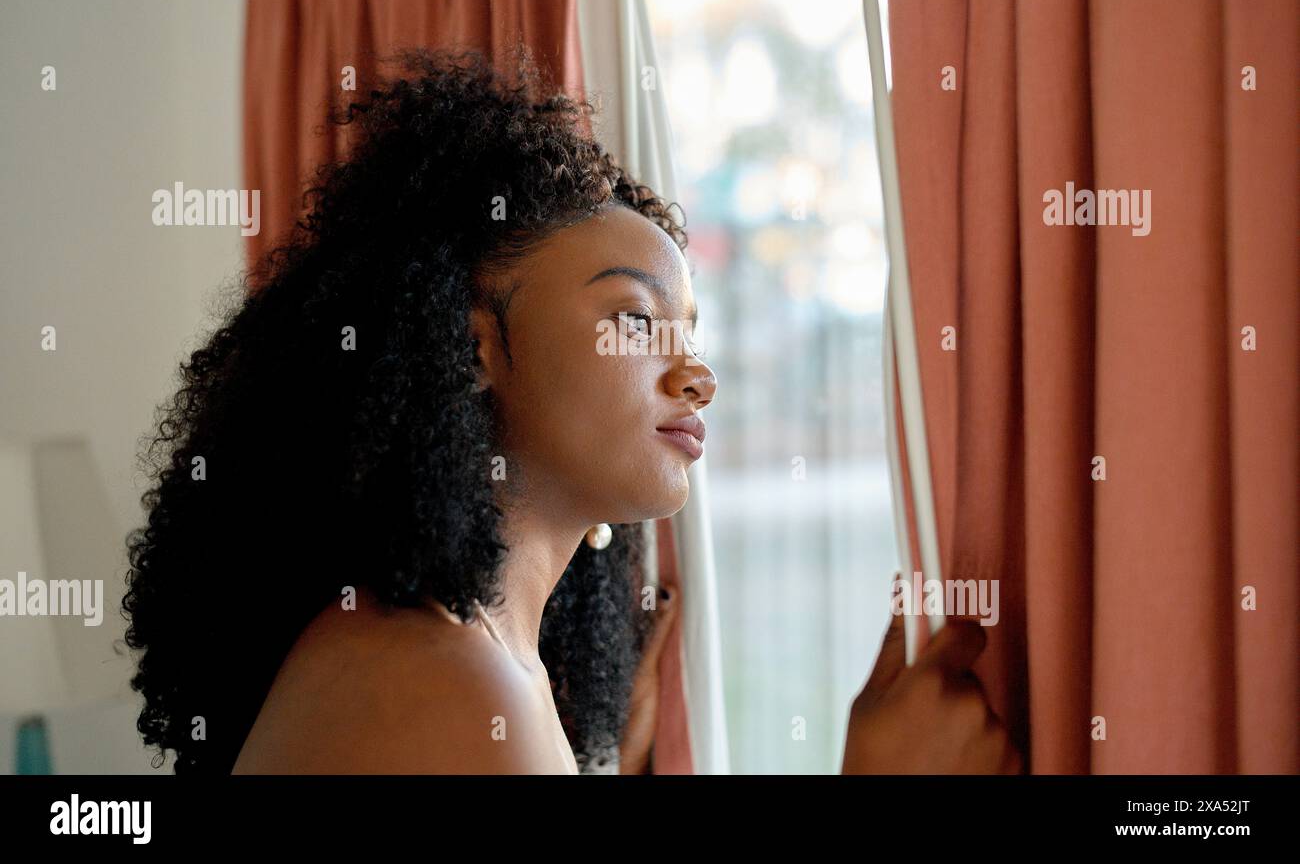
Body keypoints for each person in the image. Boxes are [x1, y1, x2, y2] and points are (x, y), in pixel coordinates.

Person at [122, 48, 1019, 775]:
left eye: (690, 330)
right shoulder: (435, 684)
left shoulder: (478, 660)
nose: (697, 374)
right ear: (471, 349)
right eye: (635, 319)